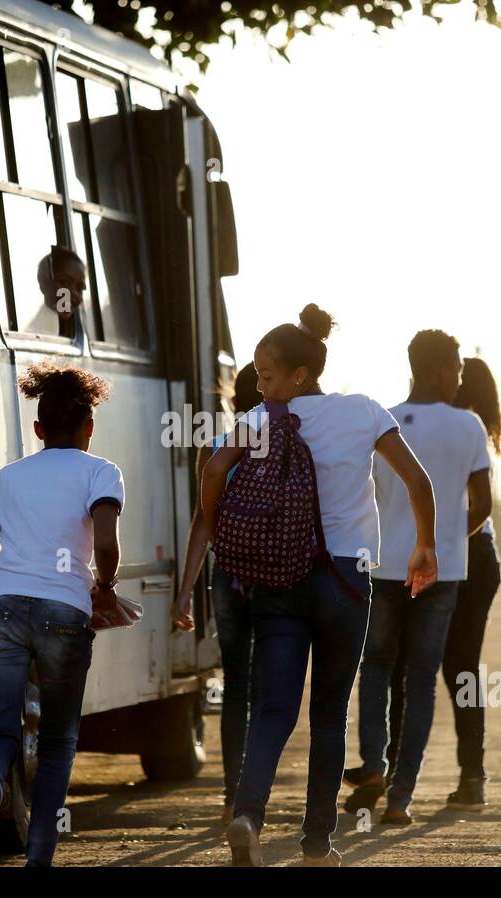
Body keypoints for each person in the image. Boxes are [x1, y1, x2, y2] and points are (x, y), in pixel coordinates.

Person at [201, 305, 439, 867]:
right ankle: (316, 845)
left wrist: (219, 534)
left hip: (279, 577)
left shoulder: (259, 420)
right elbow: (416, 479)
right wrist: (424, 546)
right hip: (346, 580)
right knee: (330, 715)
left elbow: (213, 472)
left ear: (298, 376)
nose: (259, 385)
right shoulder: (362, 412)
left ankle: (247, 815)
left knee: (273, 708)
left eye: (266, 374)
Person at [0, 361, 126, 867]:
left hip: (0, 607)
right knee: (56, 739)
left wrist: (8, 592)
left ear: (37, 429)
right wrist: (104, 588)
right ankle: (38, 859)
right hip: (64, 613)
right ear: (89, 427)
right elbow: (107, 544)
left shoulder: (6, 478)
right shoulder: (101, 471)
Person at [348, 331, 492, 824]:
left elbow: (367, 494)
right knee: (421, 680)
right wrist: (449, 540)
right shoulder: (469, 426)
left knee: (376, 666)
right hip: (441, 571)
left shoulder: (383, 422)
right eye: (455, 368)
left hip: (387, 566)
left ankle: (371, 764)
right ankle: (400, 797)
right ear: (437, 370)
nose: (459, 378)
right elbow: (484, 503)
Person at [171, 363, 261, 826]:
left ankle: (231, 798)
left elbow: (202, 525)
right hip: (276, 579)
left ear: (232, 403)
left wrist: (184, 593)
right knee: (271, 690)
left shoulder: (219, 447)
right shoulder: (291, 444)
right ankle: (252, 801)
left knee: (237, 689)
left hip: (227, 577)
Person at [441, 356, 501, 810]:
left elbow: (472, 507)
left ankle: (390, 773)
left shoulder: (461, 430)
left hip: (464, 551)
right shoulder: (480, 432)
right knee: (461, 667)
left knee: (434, 665)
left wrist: (439, 543)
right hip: (481, 554)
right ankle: (472, 777)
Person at [29, 246, 87, 339]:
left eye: (80, 288)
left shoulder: (80, 334)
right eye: (64, 282)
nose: (74, 293)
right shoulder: (35, 333)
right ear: (43, 285)